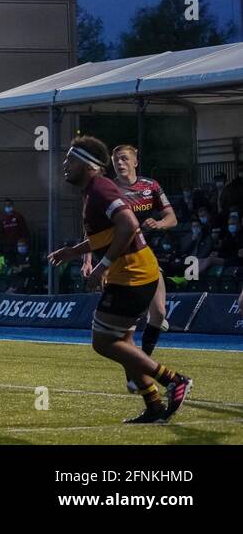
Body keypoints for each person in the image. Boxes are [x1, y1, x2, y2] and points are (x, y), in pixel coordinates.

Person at [46, 136, 192, 424]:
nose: (65, 165)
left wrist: (103, 266)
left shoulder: (100, 189)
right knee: (123, 341)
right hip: (133, 273)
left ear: (88, 164)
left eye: (70, 160)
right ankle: (153, 405)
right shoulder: (94, 190)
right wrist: (73, 252)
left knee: (102, 342)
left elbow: (129, 224)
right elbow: (108, 234)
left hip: (132, 275)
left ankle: (174, 380)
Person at [108, 144, 177, 389]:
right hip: (122, 259)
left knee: (158, 313)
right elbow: (92, 225)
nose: (120, 163)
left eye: (125, 159)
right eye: (116, 160)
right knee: (127, 324)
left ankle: (139, 369)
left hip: (149, 257)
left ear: (135, 162)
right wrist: (87, 259)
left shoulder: (151, 187)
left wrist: (158, 224)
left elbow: (172, 218)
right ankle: (136, 374)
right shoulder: (109, 189)